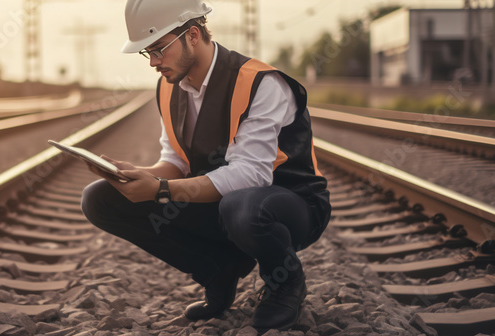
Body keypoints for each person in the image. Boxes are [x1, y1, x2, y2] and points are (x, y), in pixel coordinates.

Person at [79, 0, 331, 331]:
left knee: (241, 205)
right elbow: (175, 161)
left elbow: (250, 175)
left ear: (193, 35)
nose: (153, 62)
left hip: (290, 206)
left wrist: (161, 190)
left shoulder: (261, 83)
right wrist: (137, 175)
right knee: (100, 198)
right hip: (226, 205)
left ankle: (285, 282)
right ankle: (219, 269)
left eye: (158, 49)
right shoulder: (170, 87)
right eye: (147, 53)